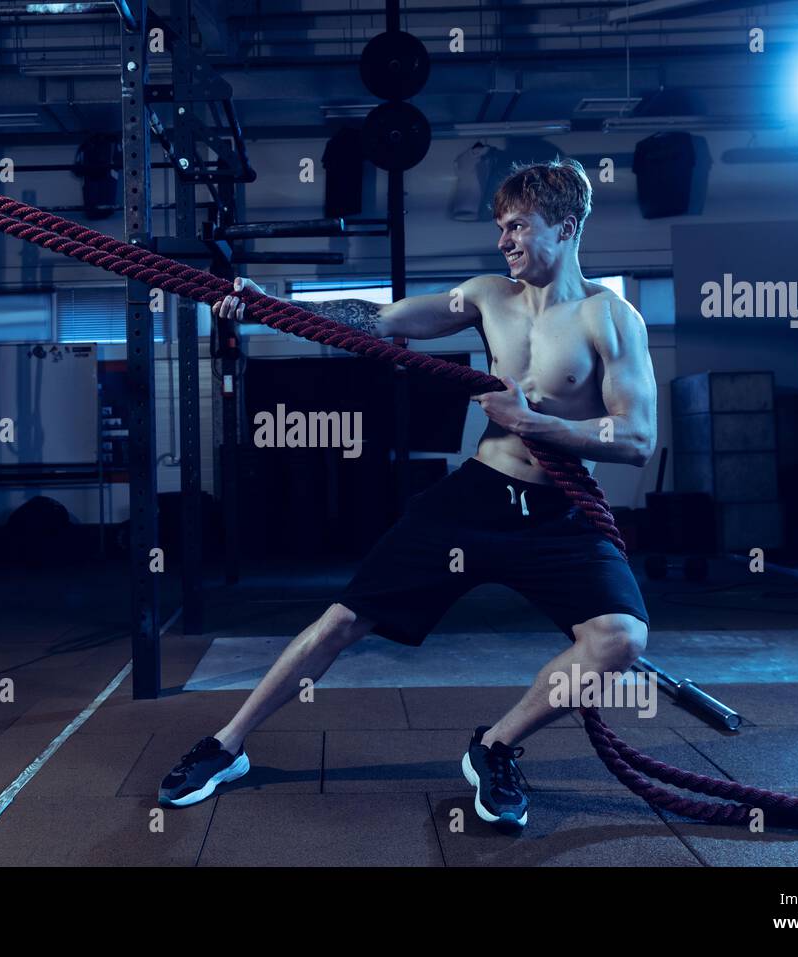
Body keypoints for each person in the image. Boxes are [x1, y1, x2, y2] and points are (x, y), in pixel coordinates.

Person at [158, 158, 657, 828]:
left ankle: (495, 745)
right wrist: (268, 307)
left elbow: (636, 435)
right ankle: (227, 744)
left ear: (566, 228)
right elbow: (382, 320)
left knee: (620, 638)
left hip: (559, 511)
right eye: (501, 227)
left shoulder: (610, 317)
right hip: (477, 497)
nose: (504, 241)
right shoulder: (487, 297)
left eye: (518, 226)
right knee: (342, 619)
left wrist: (534, 421)